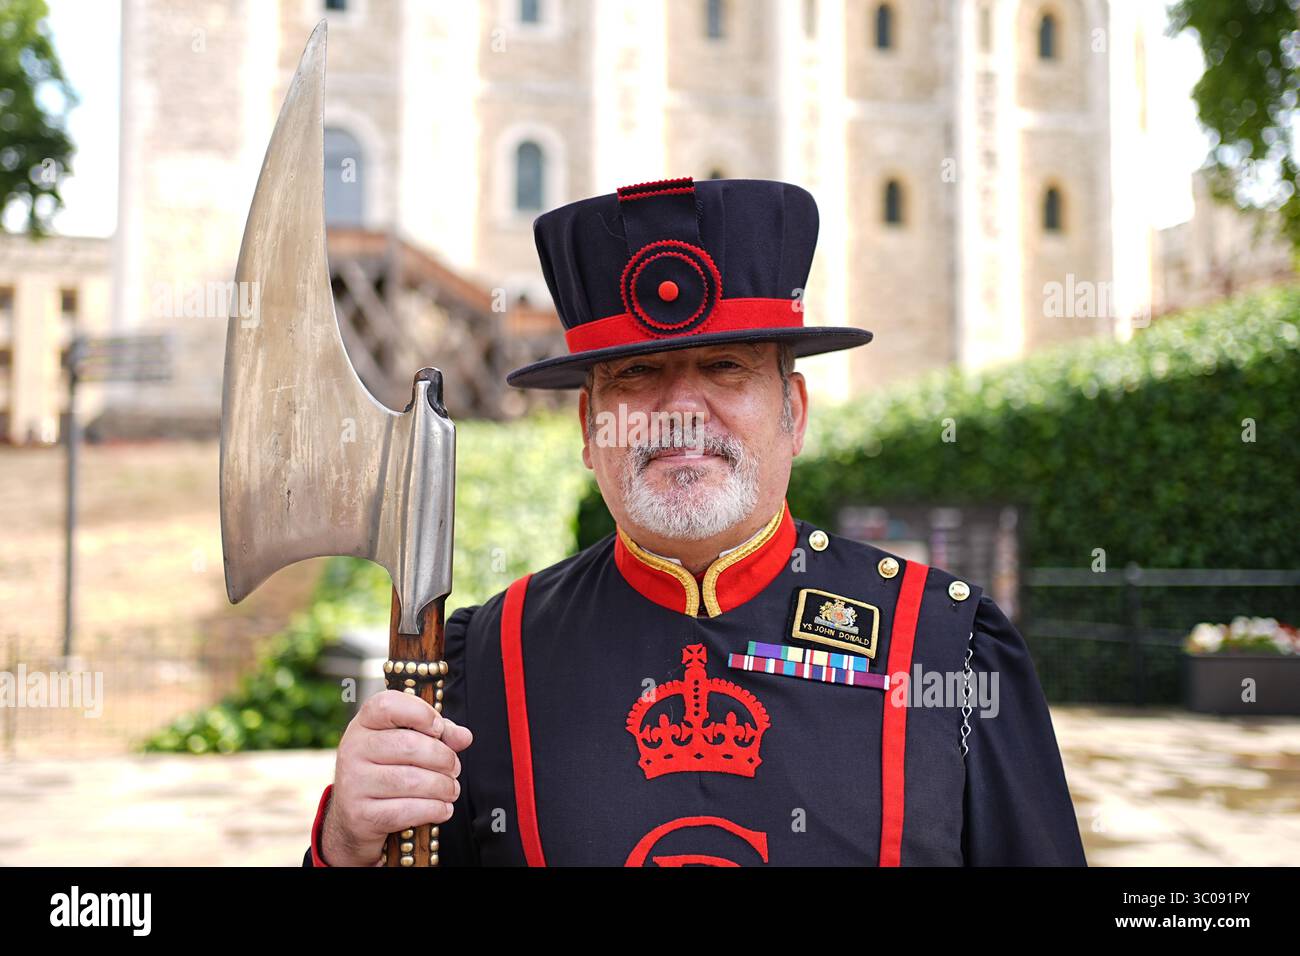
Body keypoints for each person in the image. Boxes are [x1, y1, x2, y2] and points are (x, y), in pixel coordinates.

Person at [303, 176, 1086, 866]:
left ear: (794, 413)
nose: (679, 408)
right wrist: (347, 846)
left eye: (725, 367)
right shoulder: (488, 661)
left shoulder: (944, 641)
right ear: (588, 427)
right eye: (637, 374)